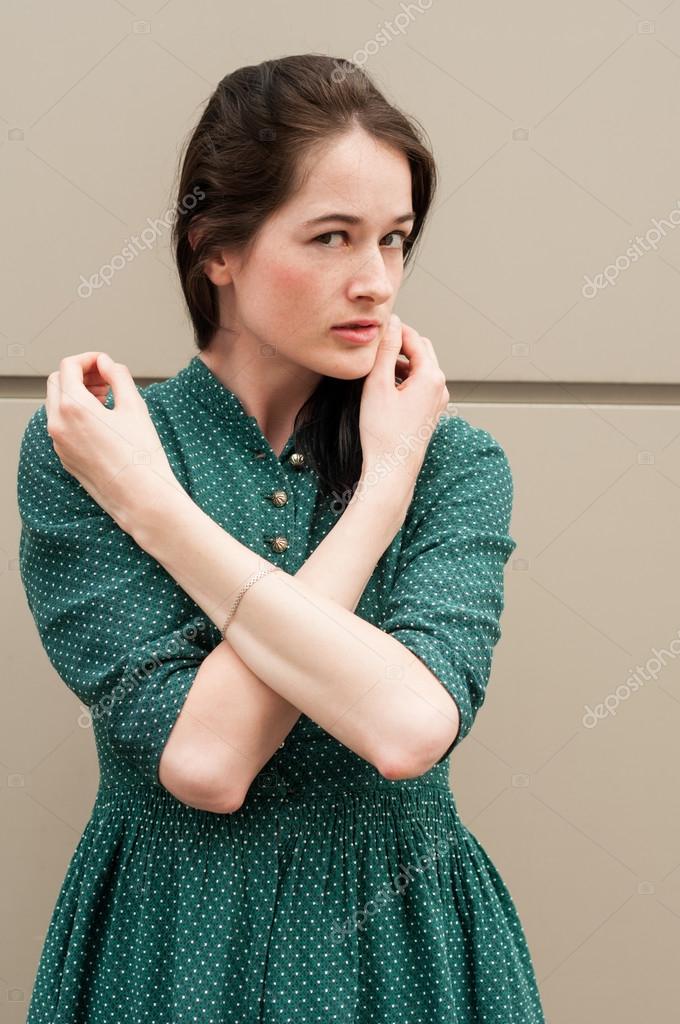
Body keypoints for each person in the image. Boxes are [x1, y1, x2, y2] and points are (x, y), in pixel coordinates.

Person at [17, 54, 545, 1023]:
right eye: (333, 237)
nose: (375, 281)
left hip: (406, 947)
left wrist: (372, 486)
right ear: (215, 244)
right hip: (170, 944)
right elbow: (209, 762)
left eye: (394, 240)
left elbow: (407, 728)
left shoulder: (450, 464)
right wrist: (138, 485)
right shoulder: (90, 449)